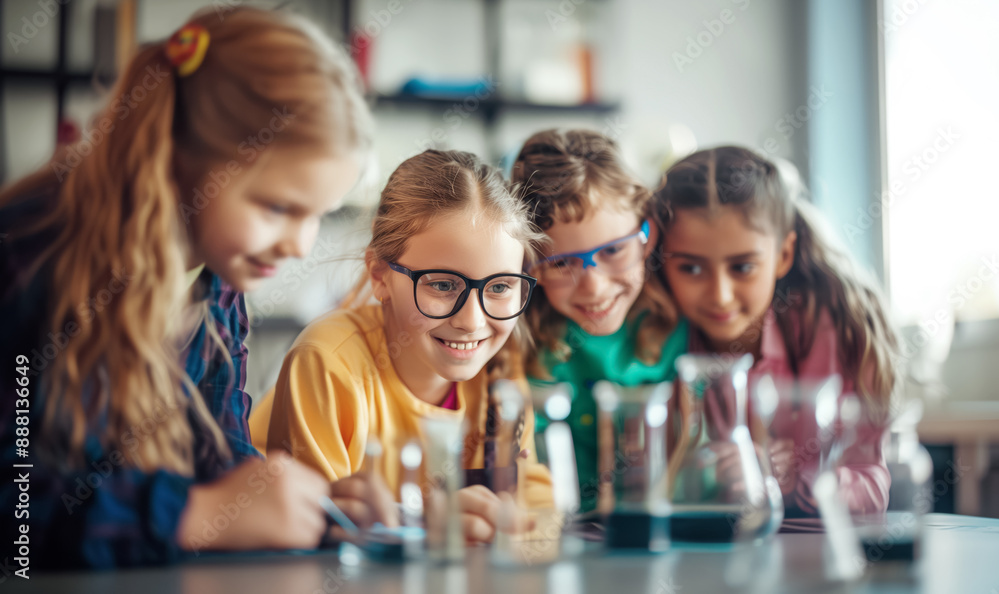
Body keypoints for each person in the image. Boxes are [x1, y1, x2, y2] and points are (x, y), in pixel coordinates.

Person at [0, 7, 389, 568]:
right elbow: (16, 512)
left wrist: (315, 512)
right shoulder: (28, 255)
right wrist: (194, 514)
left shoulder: (220, 281)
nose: (300, 246)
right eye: (278, 207)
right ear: (183, 159)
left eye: (318, 215)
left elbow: (221, 465)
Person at [254, 150, 554, 545]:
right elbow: (312, 535)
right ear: (380, 276)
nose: (472, 321)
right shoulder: (328, 361)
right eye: (443, 285)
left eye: (499, 287)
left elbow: (537, 505)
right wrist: (423, 525)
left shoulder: (502, 375)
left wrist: (516, 524)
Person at [652, 145, 900, 516]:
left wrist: (797, 477)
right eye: (691, 268)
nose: (720, 295)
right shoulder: (659, 341)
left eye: (742, 267)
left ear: (783, 255)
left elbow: (872, 489)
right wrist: (709, 479)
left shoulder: (836, 331)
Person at [510, 129, 687, 514]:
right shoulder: (522, 345)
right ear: (530, 266)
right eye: (561, 263)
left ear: (648, 234)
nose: (593, 287)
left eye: (613, 251)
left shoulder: (680, 325)